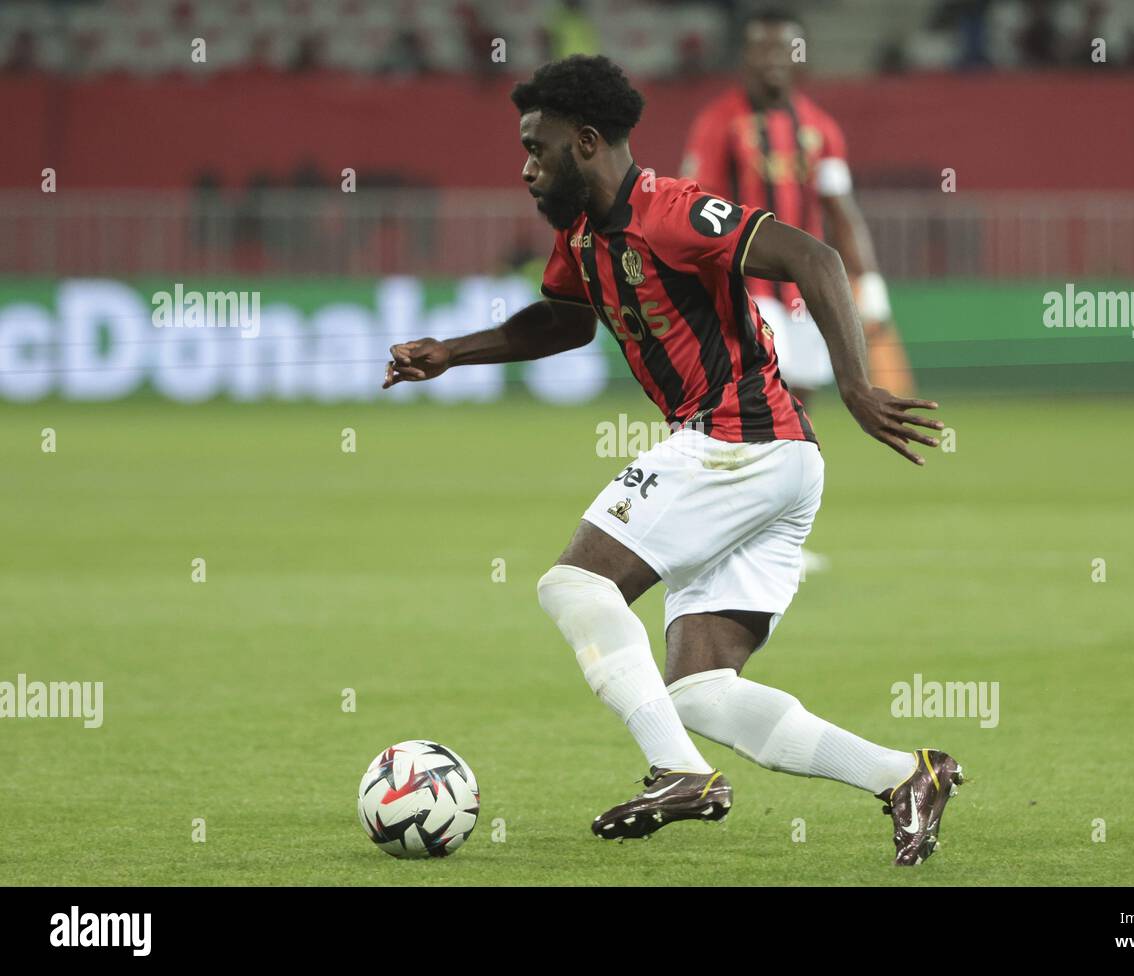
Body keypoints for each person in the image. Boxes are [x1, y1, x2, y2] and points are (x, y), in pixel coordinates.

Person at [384, 55, 962, 865]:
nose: (524, 168)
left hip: (741, 441)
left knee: (573, 585)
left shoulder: (674, 212)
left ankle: (678, 773)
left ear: (586, 142)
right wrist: (452, 350)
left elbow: (815, 258)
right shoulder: (582, 236)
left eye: (536, 148)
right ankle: (907, 775)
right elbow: (562, 321)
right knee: (700, 690)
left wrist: (857, 387)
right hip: (780, 463)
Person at [681, 6, 915, 406]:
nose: (773, 58)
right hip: (745, 282)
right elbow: (692, 205)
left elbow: (840, 209)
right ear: (745, 56)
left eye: (784, 48)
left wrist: (870, 286)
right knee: (764, 389)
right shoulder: (719, 123)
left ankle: (783, 463)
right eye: (762, 48)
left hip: (804, 287)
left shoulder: (820, 129)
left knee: (800, 392)